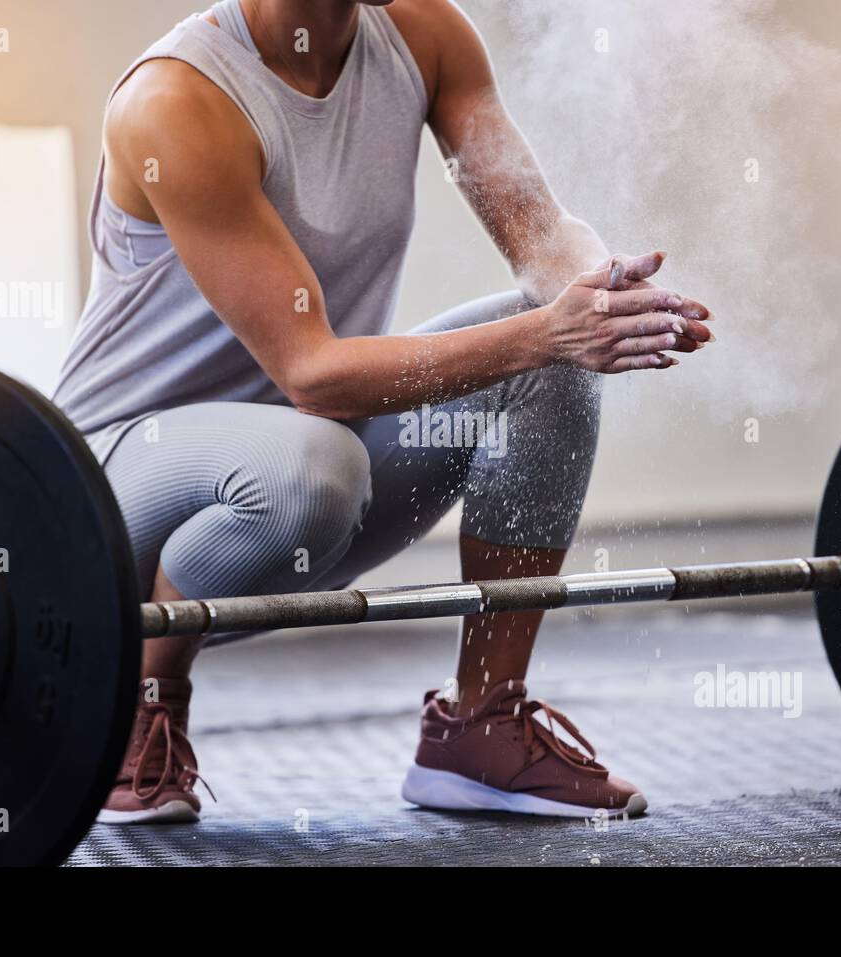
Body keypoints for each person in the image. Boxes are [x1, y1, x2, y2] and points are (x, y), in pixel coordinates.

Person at [53, 0, 713, 824]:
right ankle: (140, 709)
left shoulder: (427, 35)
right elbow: (314, 375)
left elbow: (542, 243)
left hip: (308, 485)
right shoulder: (177, 102)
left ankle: (479, 723)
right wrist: (548, 331)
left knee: (551, 369)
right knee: (316, 464)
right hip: (106, 507)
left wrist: (602, 293)